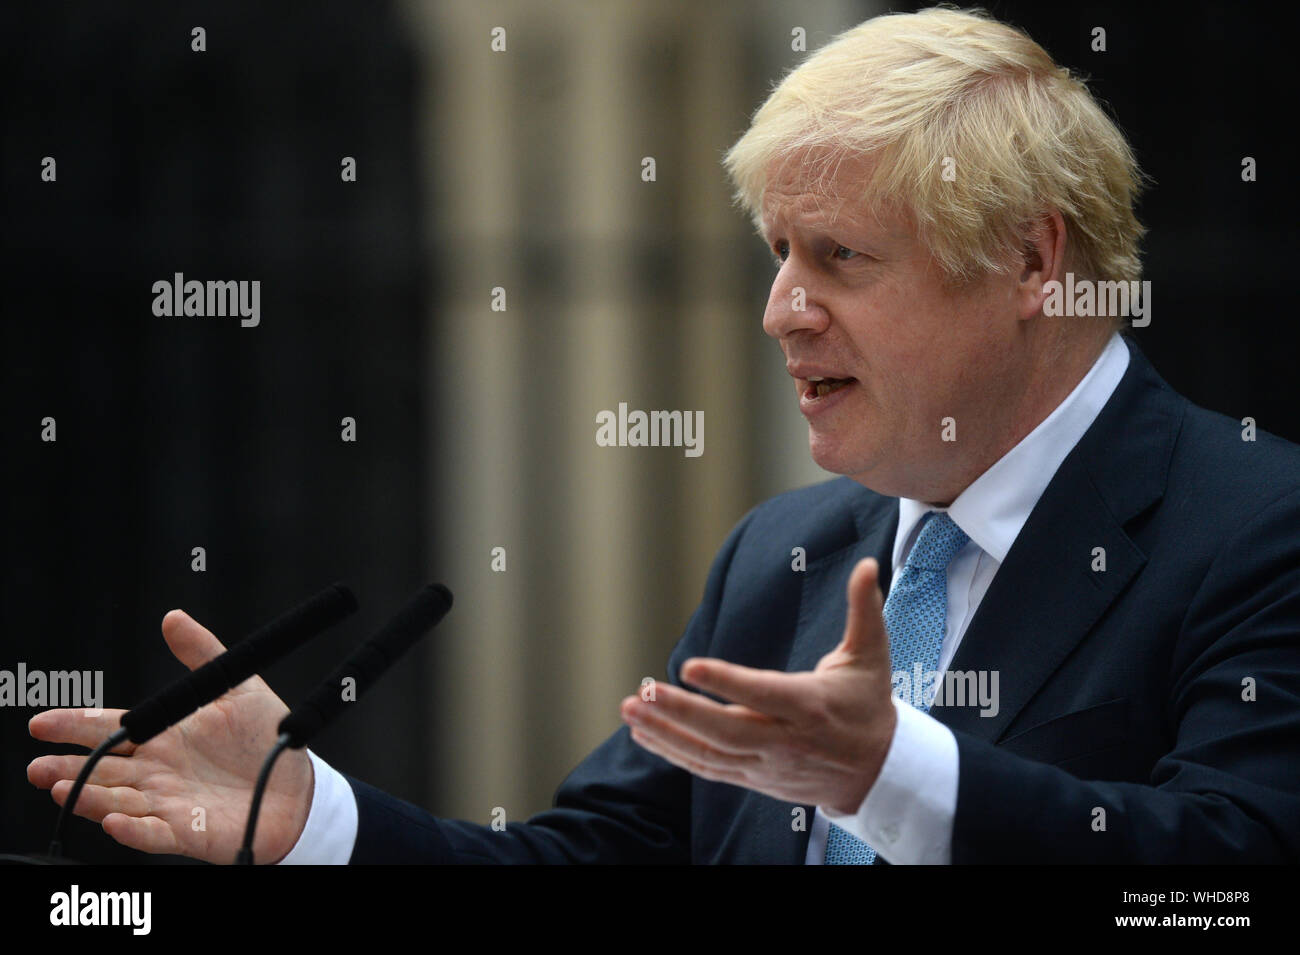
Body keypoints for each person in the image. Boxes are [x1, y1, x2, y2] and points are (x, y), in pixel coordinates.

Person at [28, 6, 1300, 864]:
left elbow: (1226, 870)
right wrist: (313, 818)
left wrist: (892, 774)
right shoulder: (784, 557)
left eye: (840, 257)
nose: (780, 310)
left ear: (1030, 261)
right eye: (777, 253)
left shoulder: (1257, 528)